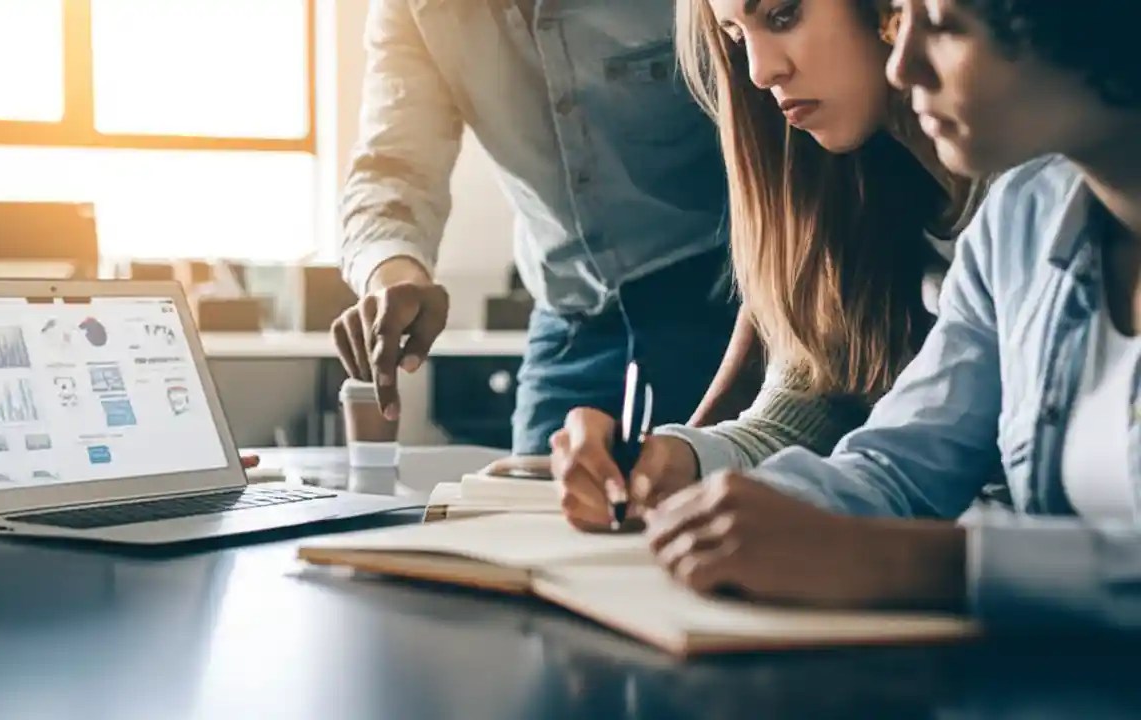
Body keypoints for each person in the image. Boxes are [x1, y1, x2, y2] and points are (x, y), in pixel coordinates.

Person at [645, 0, 1141, 629]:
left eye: (945, 26)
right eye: (899, 21)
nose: (901, 67)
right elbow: (897, 464)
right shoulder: (1018, 221)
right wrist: (723, 511)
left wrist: (918, 564)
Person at [552, 0, 983, 529]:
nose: (760, 73)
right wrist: (671, 459)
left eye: (783, 17)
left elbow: (911, 470)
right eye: (736, 37)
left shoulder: (1030, 198)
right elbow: (790, 428)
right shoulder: (847, 202)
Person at [332, 0, 742, 455]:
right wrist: (394, 275)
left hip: (726, 312)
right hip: (568, 328)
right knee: (523, 514)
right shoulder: (413, 9)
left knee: (720, 508)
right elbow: (394, 168)